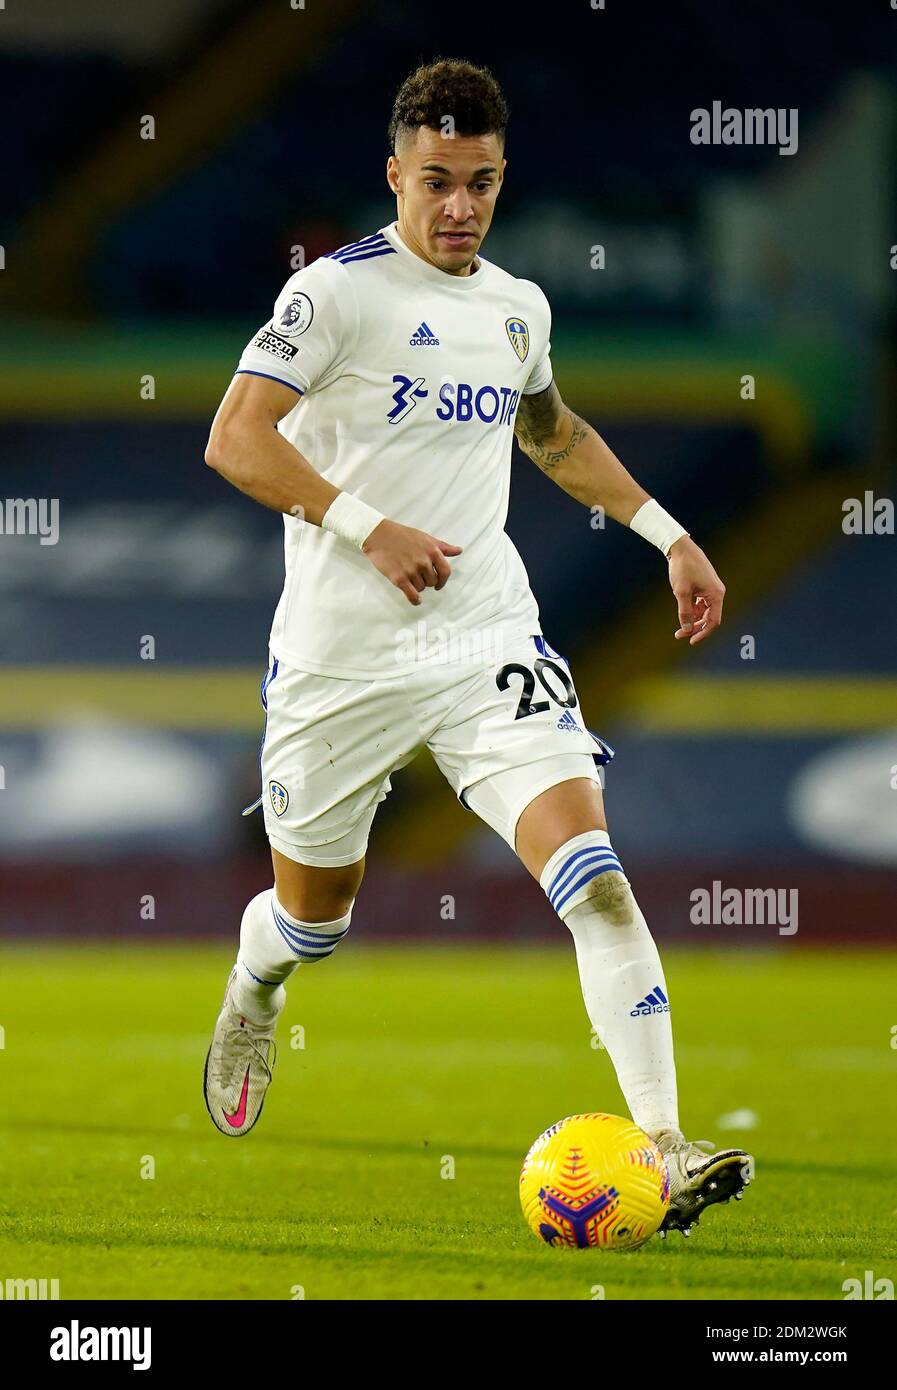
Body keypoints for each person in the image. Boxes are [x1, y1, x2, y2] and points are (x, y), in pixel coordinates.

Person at [202, 57, 752, 1236]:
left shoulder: (517, 306)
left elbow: (554, 436)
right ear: (394, 175)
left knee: (595, 881)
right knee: (315, 921)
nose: (460, 207)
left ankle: (663, 1142)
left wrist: (669, 532)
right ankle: (258, 978)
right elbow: (235, 440)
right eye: (438, 181)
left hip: (481, 635)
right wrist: (365, 525)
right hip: (341, 660)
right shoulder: (334, 296)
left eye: (483, 183)